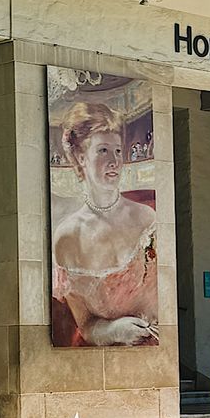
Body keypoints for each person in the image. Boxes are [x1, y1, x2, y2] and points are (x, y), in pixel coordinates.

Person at [51, 101, 158, 346]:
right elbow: (86, 325)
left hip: (154, 355)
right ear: (81, 157)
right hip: (103, 363)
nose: (114, 161)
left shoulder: (147, 219)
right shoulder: (69, 237)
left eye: (118, 151)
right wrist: (113, 331)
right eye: (102, 151)